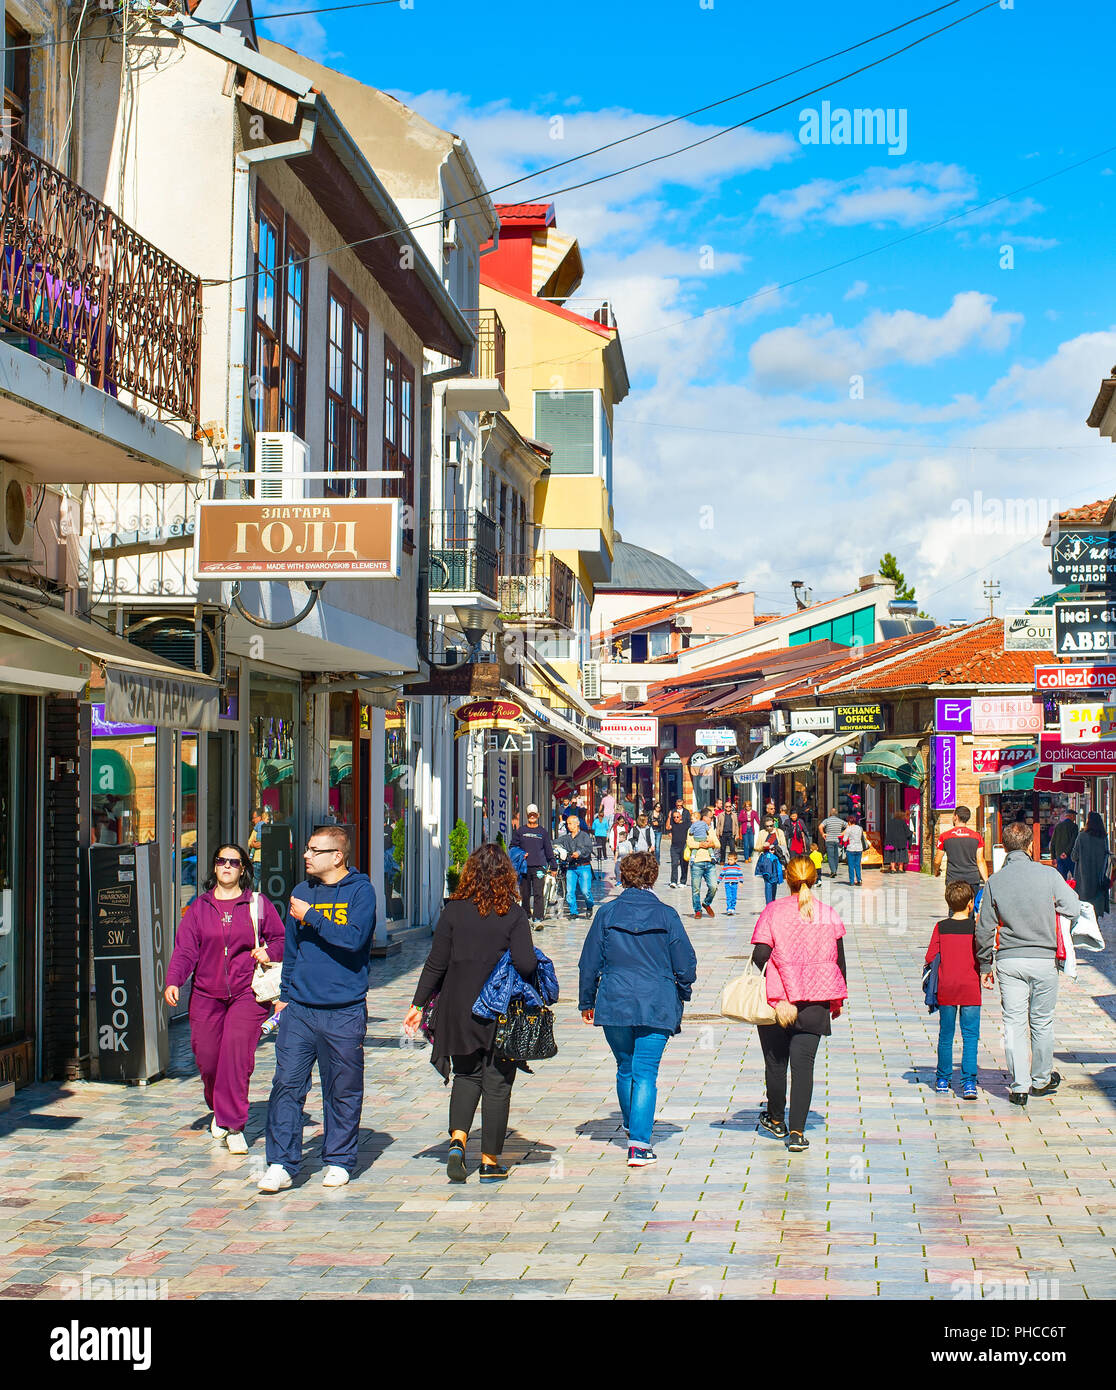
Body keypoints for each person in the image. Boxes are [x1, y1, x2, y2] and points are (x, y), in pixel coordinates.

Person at [404, 844, 538, 1184]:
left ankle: (457, 1142)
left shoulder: (453, 912)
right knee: (497, 1083)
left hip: (456, 1008)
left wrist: (417, 1005)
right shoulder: (513, 913)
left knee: (466, 1076)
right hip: (499, 1013)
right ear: (507, 875)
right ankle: (490, 1162)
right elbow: (525, 963)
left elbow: (436, 962)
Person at [257, 826, 377, 1192]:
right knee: (286, 1086)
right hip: (300, 1010)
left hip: (344, 1008)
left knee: (342, 1088)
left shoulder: (361, 891)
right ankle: (281, 1162)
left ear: (337, 856)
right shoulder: (300, 892)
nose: (306, 855)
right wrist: (284, 995)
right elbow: (292, 951)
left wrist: (314, 917)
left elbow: (355, 939)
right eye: (306, 849)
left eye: (314, 850)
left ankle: (339, 1159)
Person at [578, 850, 697, 1167]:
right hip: (656, 1002)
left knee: (625, 1067)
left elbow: (588, 962)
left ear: (623, 877)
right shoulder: (667, 915)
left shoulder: (607, 913)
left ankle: (633, 1124)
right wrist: (681, 991)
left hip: (615, 1001)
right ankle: (640, 1144)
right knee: (645, 1073)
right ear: (653, 877)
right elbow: (686, 964)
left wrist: (586, 1001)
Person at [164, 843, 284, 1155]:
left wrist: (269, 951)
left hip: (248, 994)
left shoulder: (257, 905)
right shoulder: (199, 908)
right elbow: (185, 949)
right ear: (215, 867)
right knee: (207, 1058)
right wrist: (175, 980)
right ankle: (219, 1107)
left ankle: (234, 1124)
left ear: (243, 868)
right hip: (206, 994)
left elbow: (282, 938)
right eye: (221, 861)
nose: (227, 866)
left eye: (234, 861)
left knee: (236, 1056)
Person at [976, 820, 1081, 1108]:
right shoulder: (1047, 876)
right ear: (1031, 846)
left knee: (1013, 1023)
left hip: (1010, 960)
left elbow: (984, 927)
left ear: (1005, 847)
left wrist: (985, 965)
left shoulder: (995, 881)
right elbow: (1072, 906)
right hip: (1043, 959)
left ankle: (1019, 1085)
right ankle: (1041, 1079)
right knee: (1042, 1021)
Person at [751, 856, 848, 1152]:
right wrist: (837, 998)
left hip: (779, 1001)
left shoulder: (773, 911)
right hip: (816, 1001)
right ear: (815, 878)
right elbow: (839, 960)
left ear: (787, 878)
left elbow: (760, 956)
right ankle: (797, 1132)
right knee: (804, 1067)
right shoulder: (827, 913)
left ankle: (776, 1118)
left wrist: (780, 976)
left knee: (776, 1064)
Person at [926, 880, 988, 1099]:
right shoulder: (975, 927)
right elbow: (983, 952)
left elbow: (930, 956)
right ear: (971, 903)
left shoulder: (941, 927)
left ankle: (943, 1079)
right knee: (970, 1035)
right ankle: (969, 1082)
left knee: (946, 1034)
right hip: (970, 987)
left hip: (947, 986)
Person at [509, 804, 557, 930]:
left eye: (534, 814)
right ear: (526, 815)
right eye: (530, 814)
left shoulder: (542, 832)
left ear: (538, 815)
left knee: (538, 893)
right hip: (524, 867)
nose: (532, 816)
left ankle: (538, 919)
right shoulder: (521, 831)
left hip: (539, 866)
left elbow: (548, 850)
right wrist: (520, 853)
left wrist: (553, 866)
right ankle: (526, 916)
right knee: (525, 894)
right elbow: (512, 847)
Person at [934, 806, 988, 902]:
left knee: (954, 907)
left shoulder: (944, 836)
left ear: (956, 817)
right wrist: (986, 881)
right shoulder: (977, 837)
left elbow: (937, 860)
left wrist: (936, 871)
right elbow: (980, 860)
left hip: (953, 879)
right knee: (970, 909)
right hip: (972, 879)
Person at [556, 813, 595, 920]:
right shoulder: (566, 838)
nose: (568, 826)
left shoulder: (584, 836)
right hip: (571, 868)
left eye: (570, 823)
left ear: (577, 824)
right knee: (570, 891)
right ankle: (573, 912)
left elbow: (588, 849)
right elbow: (553, 842)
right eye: (567, 824)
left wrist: (579, 853)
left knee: (585, 891)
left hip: (584, 867)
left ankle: (590, 905)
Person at [1071, 811, 1110, 920]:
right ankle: (1096, 924)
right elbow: (1106, 856)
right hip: (1098, 879)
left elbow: (1074, 856)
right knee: (1096, 905)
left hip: (1083, 880)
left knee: (1084, 907)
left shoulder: (1082, 836)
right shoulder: (1103, 837)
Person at [687, 807, 721, 920]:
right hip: (697, 861)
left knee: (714, 886)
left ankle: (706, 903)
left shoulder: (710, 830)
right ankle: (697, 910)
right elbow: (690, 843)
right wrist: (701, 845)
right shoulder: (693, 828)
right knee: (696, 888)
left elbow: (717, 844)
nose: (712, 820)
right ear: (705, 817)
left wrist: (710, 845)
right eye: (711, 817)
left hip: (709, 862)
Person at [818, 806, 847, 879]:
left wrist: (823, 834)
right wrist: (842, 833)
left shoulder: (826, 820)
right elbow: (848, 826)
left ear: (830, 814)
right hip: (838, 840)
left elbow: (820, 827)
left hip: (829, 839)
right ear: (836, 814)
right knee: (836, 856)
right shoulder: (840, 821)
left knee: (830, 856)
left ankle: (833, 871)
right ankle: (835, 870)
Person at [1050, 809, 1078, 880]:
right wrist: (1066, 853)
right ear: (1071, 816)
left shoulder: (1058, 826)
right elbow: (1073, 841)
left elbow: (1053, 842)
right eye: (1074, 816)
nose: (1075, 818)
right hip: (1070, 856)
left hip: (1059, 856)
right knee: (1075, 878)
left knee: (1061, 879)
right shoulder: (1074, 826)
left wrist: (1053, 857)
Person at [883, 809, 913, 873]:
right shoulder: (902, 822)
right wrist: (912, 833)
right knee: (901, 855)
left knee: (892, 855)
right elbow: (907, 832)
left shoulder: (890, 822)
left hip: (891, 841)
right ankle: (900, 868)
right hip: (901, 842)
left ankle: (893, 868)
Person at [718, 849, 746, 916]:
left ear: (735, 860)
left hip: (734, 884)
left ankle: (733, 908)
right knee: (729, 896)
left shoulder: (737, 867)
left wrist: (741, 881)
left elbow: (740, 875)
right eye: (728, 859)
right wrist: (718, 881)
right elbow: (722, 874)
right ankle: (729, 908)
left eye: (731, 860)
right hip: (727, 884)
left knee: (734, 896)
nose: (729, 861)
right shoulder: (726, 867)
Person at [668, 806, 690, 889]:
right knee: (674, 864)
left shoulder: (686, 824)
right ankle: (673, 881)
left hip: (683, 846)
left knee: (684, 864)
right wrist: (669, 817)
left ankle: (683, 881)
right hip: (674, 847)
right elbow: (667, 827)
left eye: (677, 817)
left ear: (680, 817)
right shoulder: (673, 824)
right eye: (674, 817)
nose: (676, 818)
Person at [842, 816, 867, 886]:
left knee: (851, 866)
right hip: (859, 848)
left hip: (851, 849)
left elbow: (844, 839)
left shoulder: (848, 829)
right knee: (857, 865)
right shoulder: (860, 828)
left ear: (849, 822)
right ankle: (859, 880)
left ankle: (852, 881)